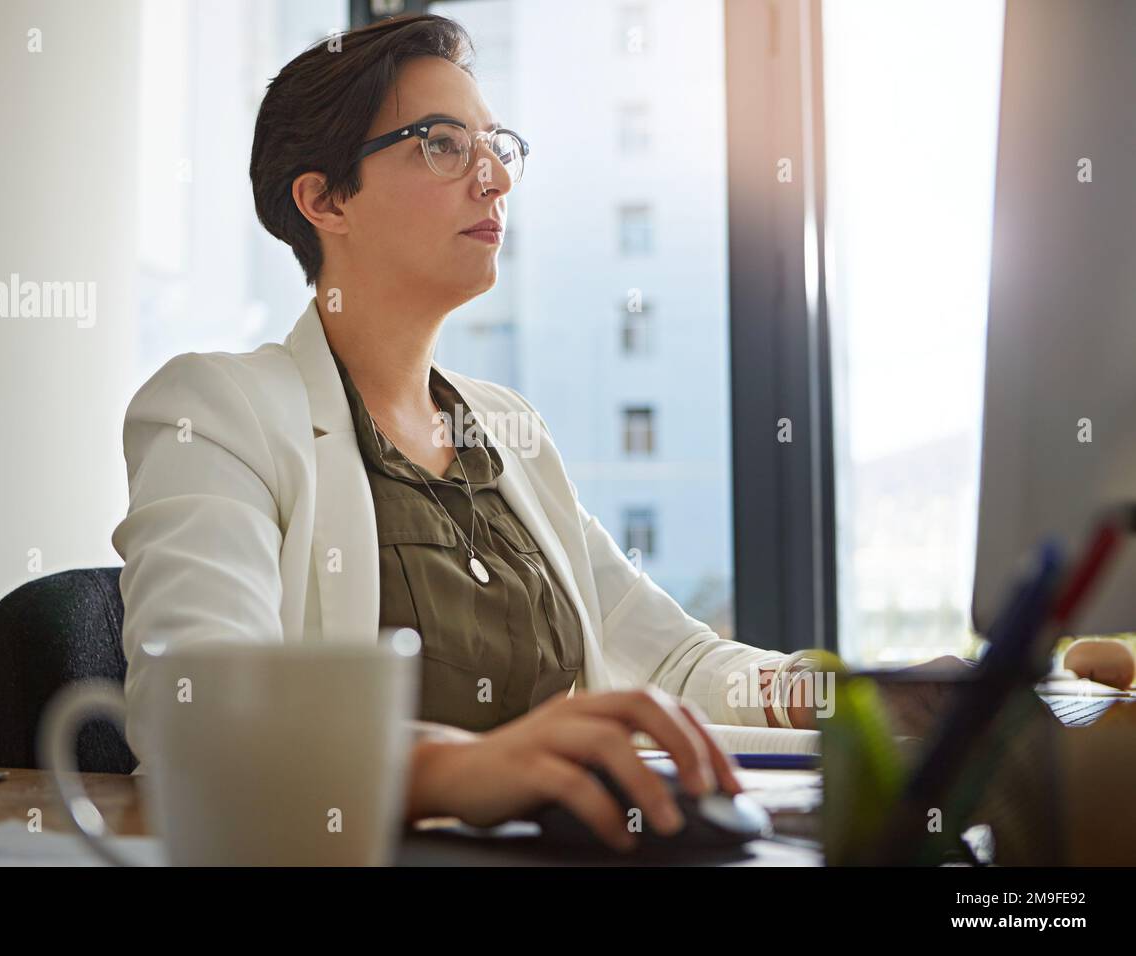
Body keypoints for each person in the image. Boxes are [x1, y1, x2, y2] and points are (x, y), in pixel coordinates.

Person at [112, 13, 959, 852]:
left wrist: (861, 698)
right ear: (325, 198)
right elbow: (195, 713)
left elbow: (674, 666)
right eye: (443, 144)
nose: (495, 180)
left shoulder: (509, 434)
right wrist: (454, 770)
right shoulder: (219, 410)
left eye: (497, 146)